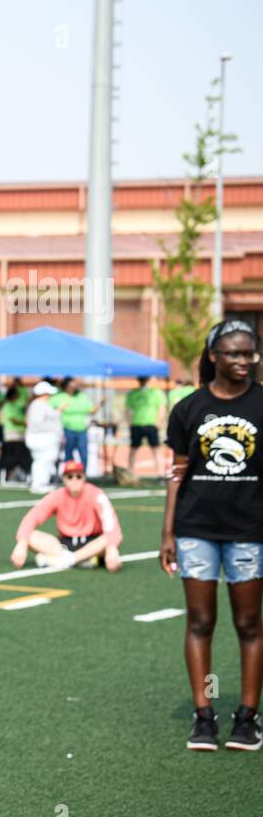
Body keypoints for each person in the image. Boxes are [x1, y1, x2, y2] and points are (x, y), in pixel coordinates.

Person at [161, 319, 263, 752]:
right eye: (234, 353)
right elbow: (177, 472)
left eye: (249, 353)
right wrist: (167, 530)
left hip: (249, 529)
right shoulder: (189, 408)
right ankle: (204, 717)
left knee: (249, 624)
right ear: (213, 357)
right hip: (195, 528)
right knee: (200, 621)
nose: (243, 360)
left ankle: (247, 718)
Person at [11, 460, 122, 571]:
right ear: (64, 479)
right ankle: (81, 560)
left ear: (84, 478)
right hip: (65, 545)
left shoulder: (96, 494)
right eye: (70, 477)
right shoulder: (57, 495)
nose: (74, 480)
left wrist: (112, 547)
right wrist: (22, 542)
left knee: (107, 539)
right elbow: (33, 516)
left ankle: (64, 560)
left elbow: (110, 522)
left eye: (78, 476)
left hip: (90, 542)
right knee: (31, 536)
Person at [25, 380, 63, 493]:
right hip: (40, 437)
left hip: (41, 437)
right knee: (43, 459)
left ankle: (41, 482)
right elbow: (38, 423)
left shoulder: (41, 404)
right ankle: (39, 483)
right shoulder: (38, 405)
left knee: (43, 460)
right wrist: (53, 429)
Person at [123, 375, 165, 475]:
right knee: (133, 449)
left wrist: (157, 424)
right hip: (136, 424)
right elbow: (127, 410)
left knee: (156, 450)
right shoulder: (132, 393)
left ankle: (160, 474)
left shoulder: (156, 392)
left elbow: (162, 408)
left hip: (151, 425)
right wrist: (130, 423)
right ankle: (130, 473)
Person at [54, 376, 96, 469]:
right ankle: (69, 473)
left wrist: (99, 404)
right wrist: (59, 410)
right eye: (71, 386)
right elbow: (48, 410)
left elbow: (91, 410)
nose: (73, 388)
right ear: (66, 387)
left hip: (82, 430)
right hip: (67, 430)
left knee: (83, 454)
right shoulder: (58, 397)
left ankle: (82, 475)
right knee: (68, 453)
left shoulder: (82, 396)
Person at [0, 379, 30, 482]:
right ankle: (9, 474)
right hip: (12, 435)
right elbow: (14, 420)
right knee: (12, 456)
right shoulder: (7, 406)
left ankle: (18, 473)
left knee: (20, 455)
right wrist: (26, 424)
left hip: (19, 434)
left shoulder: (16, 406)